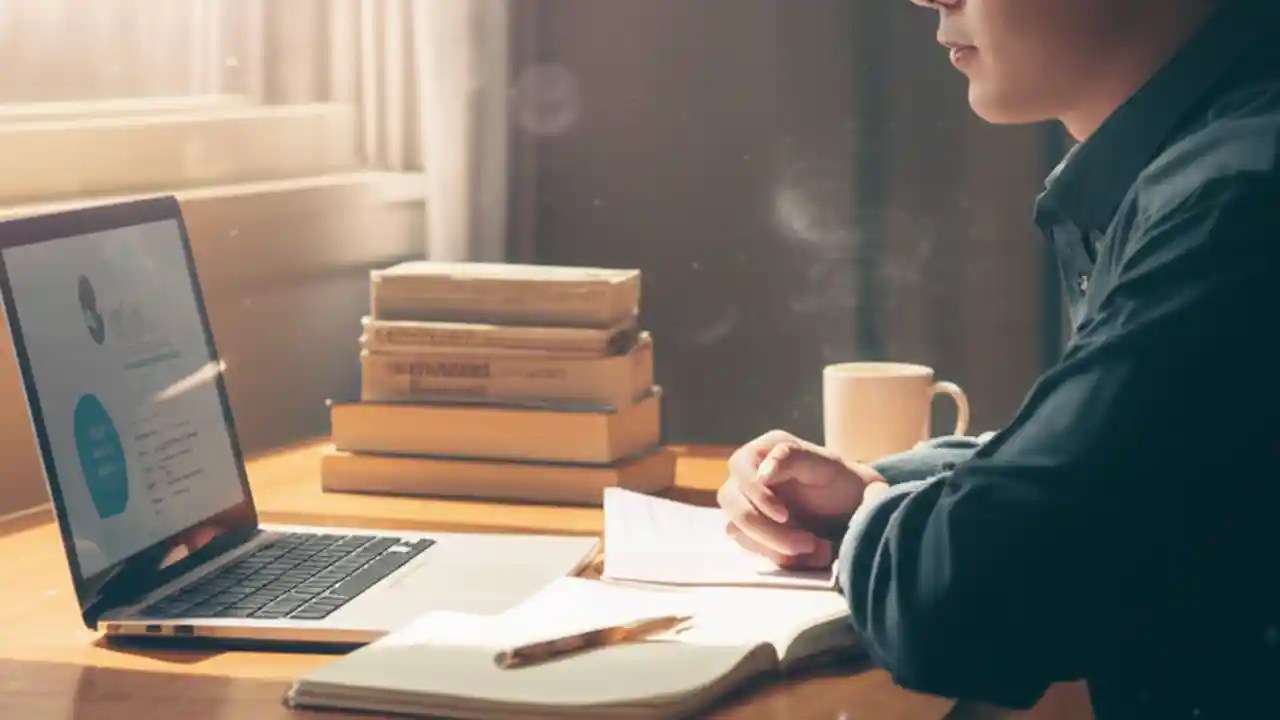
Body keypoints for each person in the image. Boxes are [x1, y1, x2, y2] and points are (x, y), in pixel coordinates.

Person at [716, 0, 1280, 717]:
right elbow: (1145, 474)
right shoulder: (1212, 163)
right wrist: (876, 489)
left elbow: (977, 592)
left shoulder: (1235, 204)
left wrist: (871, 516)